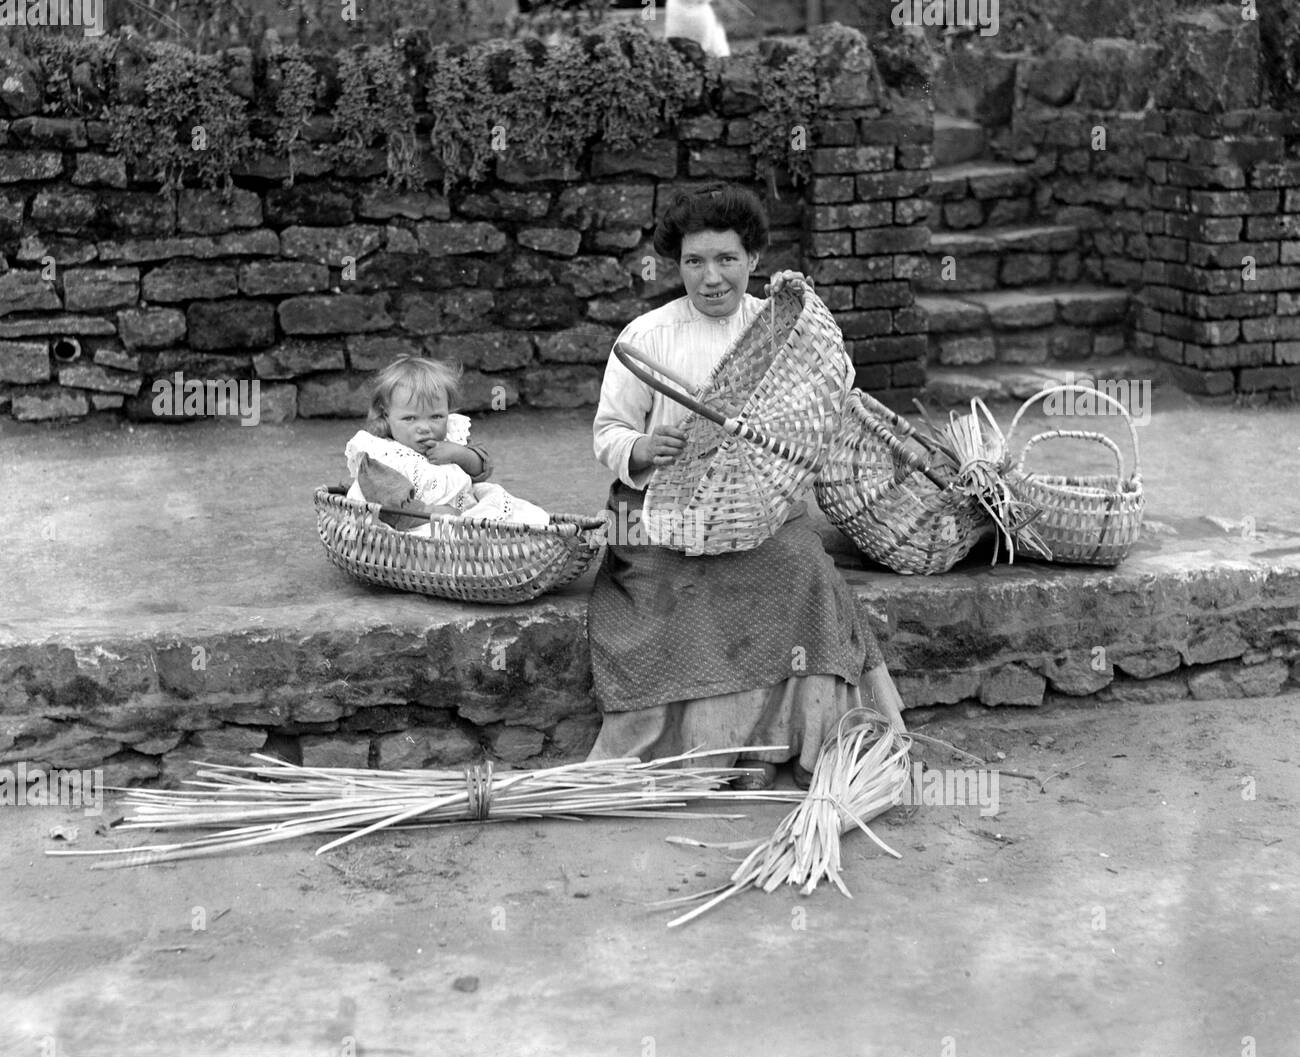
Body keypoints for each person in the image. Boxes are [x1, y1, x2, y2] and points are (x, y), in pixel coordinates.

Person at [587, 183, 906, 789]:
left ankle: (795, 744)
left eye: (726, 259)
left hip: (761, 507)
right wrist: (641, 449)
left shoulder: (781, 332)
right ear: (676, 265)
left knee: (801, 568)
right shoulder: (644, 338)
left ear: (754, 259)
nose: (711, 278)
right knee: (670, 582)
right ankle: (698, 757)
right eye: (694, 261)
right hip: (662, 508)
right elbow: (608, 431)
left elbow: (821, 411)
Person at [343, 355, 549, 531]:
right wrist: (433, 513)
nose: (425, 427)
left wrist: (460, 454)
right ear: (386, 414)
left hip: (468, 517)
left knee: (514, 510)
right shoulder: (382, 454)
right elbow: (390, 505)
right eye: (410, 419)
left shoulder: (451, 438)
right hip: (417, 527)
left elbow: (483, 469)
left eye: (436, 416)